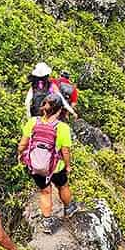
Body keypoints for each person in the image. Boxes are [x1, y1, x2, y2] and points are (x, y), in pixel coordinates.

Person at [18, 94, 78, 234]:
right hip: (56, 167)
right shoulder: (62, 127)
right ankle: (69, 208)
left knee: (45, 192)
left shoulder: (33, 122)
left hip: (37, 166)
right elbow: (65, 151)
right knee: (62, 186)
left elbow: (23, 143)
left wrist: (21, 154)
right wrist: (68, 165)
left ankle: (47, 222)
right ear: (59, 110)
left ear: (44, 108)